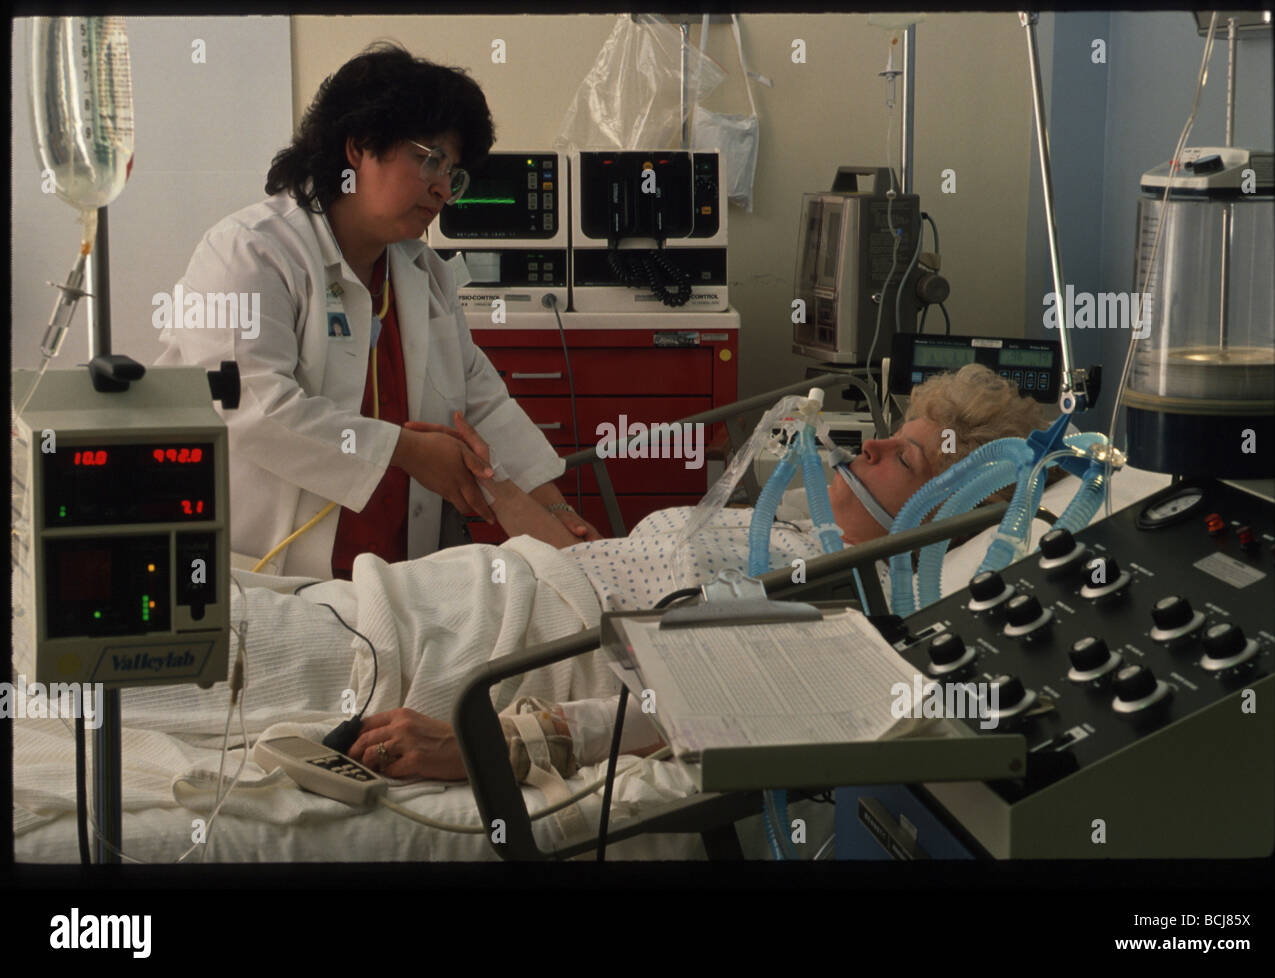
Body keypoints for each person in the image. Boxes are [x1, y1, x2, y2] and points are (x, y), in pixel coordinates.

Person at [345, 364, 1062, 781]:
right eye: (892, 435)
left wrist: (498, 746)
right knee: (268, 615)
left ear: (938, 517)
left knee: (257, 654)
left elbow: (705, 712)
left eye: (904, 459)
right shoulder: (781, 532)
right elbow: (582, 562)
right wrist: (488, 480)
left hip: (517, 648)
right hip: (489, 585)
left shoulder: (836, 600)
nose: (869, 444)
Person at [154, 43, 599, 580]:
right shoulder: (250, 252)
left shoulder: (423, 274)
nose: (442, 189)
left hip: (390, 580)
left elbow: (483, 405)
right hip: (263, 575)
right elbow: (253, 408)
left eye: (453, 173)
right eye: (429, 158)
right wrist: (406, 451)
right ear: (359, 147)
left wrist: (559, 514)